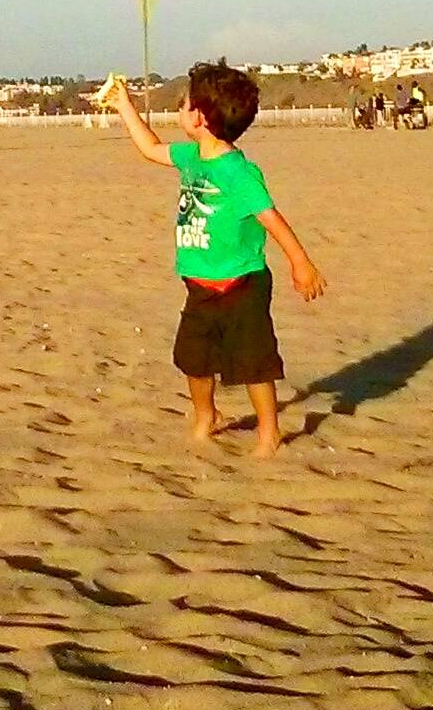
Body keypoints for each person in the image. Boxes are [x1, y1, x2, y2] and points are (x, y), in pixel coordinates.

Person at [99, 62, 324, 458]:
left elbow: (271, 218)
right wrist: (125, 107)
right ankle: (207, 416)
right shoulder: (191, 157)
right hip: (199, 282)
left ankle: (268, 432)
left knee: (254, 362)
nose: (179, 107)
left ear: (199, 117)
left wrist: (299, 262)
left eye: (184, 103)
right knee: (194, 359)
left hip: (243, 281)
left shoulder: (238, 172)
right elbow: (151, 148)